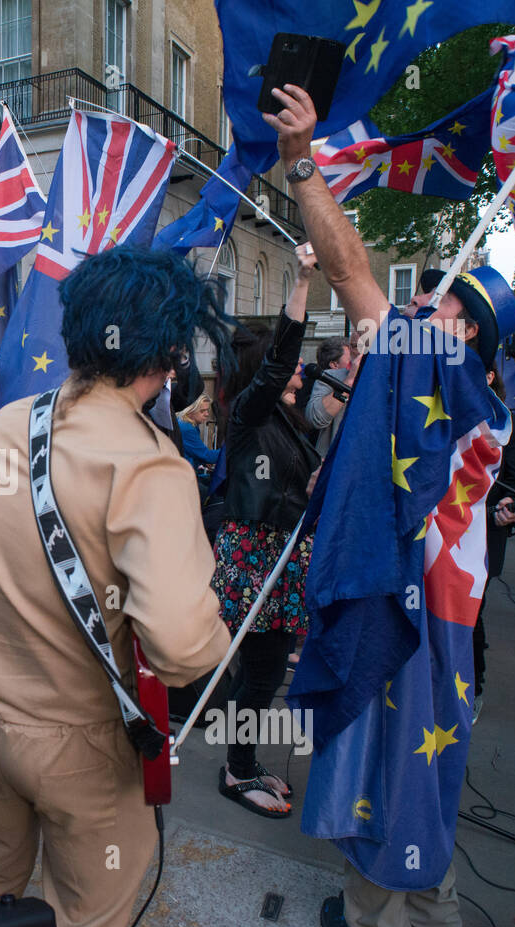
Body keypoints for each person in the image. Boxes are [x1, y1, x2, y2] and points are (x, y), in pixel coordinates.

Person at [267, 82, 515, 927]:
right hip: (446, 624)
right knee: (426, 782)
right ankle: (431, 923)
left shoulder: (438, 377)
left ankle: (379, 925)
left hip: (414, 618)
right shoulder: (474, 402)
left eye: (444, 301)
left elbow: (352, 273)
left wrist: (303, 161)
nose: (426, 302)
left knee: (389, 776)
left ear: (466, 334)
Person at [0, 246, 232, 927]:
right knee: (86, 923)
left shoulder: (10, 424)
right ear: (168, 355)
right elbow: (184, 647)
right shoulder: (150, 463)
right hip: (79, 744)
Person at [211, 243, 321, 819]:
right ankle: (237, 769)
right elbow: (282, 360)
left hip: (279, 559)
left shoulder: (285, 418)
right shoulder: (250, 413)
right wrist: (301, 283)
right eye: (288, 368)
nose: (299, 373)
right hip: (258, 561)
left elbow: (294, 487)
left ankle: (243, 761)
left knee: (261, 672)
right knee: (261, 674)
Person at [474, 361, 515, 724]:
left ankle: (472, 686)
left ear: (488, 378)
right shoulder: (440, 420)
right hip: (432, 540)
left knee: (467, 616)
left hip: (482, 539)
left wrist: (511, 506)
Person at [305, 334, 359, 457]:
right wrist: (349, 381)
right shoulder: (331, 377)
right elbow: (315, 418)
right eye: (355, 346)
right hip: (335, 463)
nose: (361, 351)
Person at [177, 394, 221, 467]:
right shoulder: (187, 428)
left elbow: (192, 452)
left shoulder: (188, 424)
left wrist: (202, 461)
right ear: (191, 410)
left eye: (207, 410)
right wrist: (229, 450)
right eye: (202, 411)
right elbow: (206, 456)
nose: (207, 414)